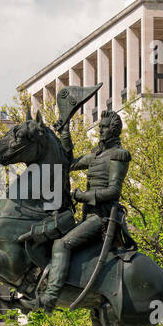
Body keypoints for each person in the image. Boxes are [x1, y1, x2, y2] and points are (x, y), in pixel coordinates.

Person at [34, 107, 132, 311]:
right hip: (88, 216)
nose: (101, 131)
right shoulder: (97, 155)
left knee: (62, 245)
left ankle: (51, 297)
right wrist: (65, 132)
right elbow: (69, 162)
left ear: (113, 131)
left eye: (104, 128)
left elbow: (114, 191)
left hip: (102, 219)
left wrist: (83, 196)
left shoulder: (119, 155)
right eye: (100, 128)